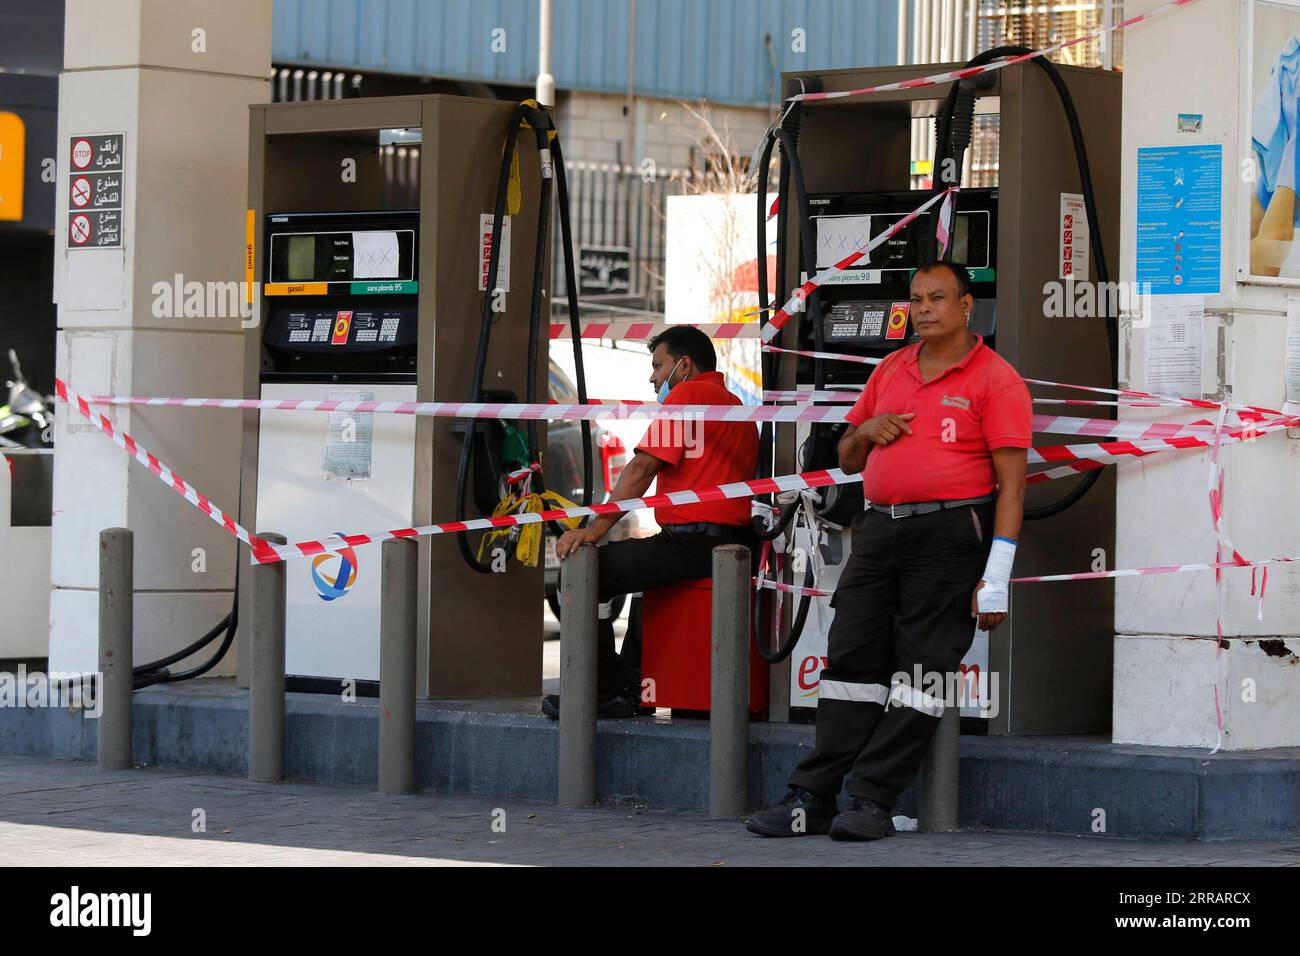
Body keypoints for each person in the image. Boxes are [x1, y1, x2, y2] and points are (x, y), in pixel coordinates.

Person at [746, 260, 1030, 841]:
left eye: (937, 298)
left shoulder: (996, 380)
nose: (923, 309)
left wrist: (995, 575)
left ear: (966, 307)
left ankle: (872, 800)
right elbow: (847, 458)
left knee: (923, 672)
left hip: (950, 535)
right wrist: (866, 431)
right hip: (878, 529)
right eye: (917, 299)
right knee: (850, 661)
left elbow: (1013, 488)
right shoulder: (891, 368)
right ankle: (812, 795)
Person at [542, 325, 760, 719]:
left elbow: (642, 469)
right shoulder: (736, 407)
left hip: (691, 544)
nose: (653, 376)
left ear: (684, 365)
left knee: (582, 570)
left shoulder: (686, 397)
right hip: (730, 542)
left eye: (659, 366)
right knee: (640, 586)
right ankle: (629, 685)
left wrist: (595, 529)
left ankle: (602, 690)